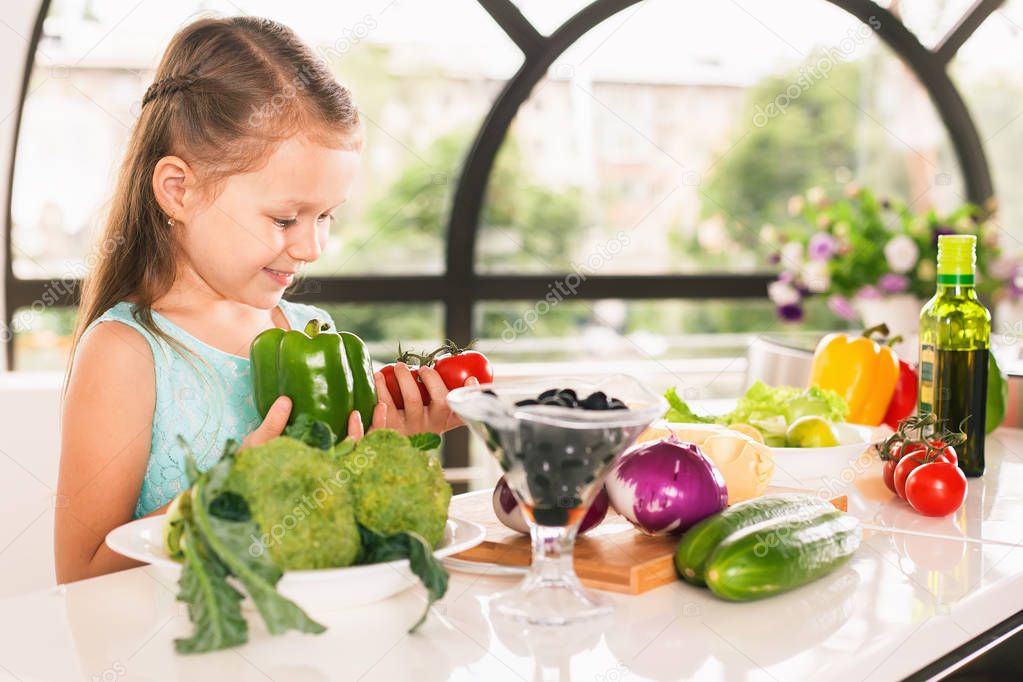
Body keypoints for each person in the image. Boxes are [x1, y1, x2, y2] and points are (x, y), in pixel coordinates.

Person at [54, 16, 471, 584]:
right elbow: (82, 575)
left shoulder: (311, 330)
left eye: (326, 217)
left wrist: (386, 447)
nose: (312, 247)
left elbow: (334, 529)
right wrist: (235, 484)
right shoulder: (126, 352)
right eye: (284, 218)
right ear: (179, 190)